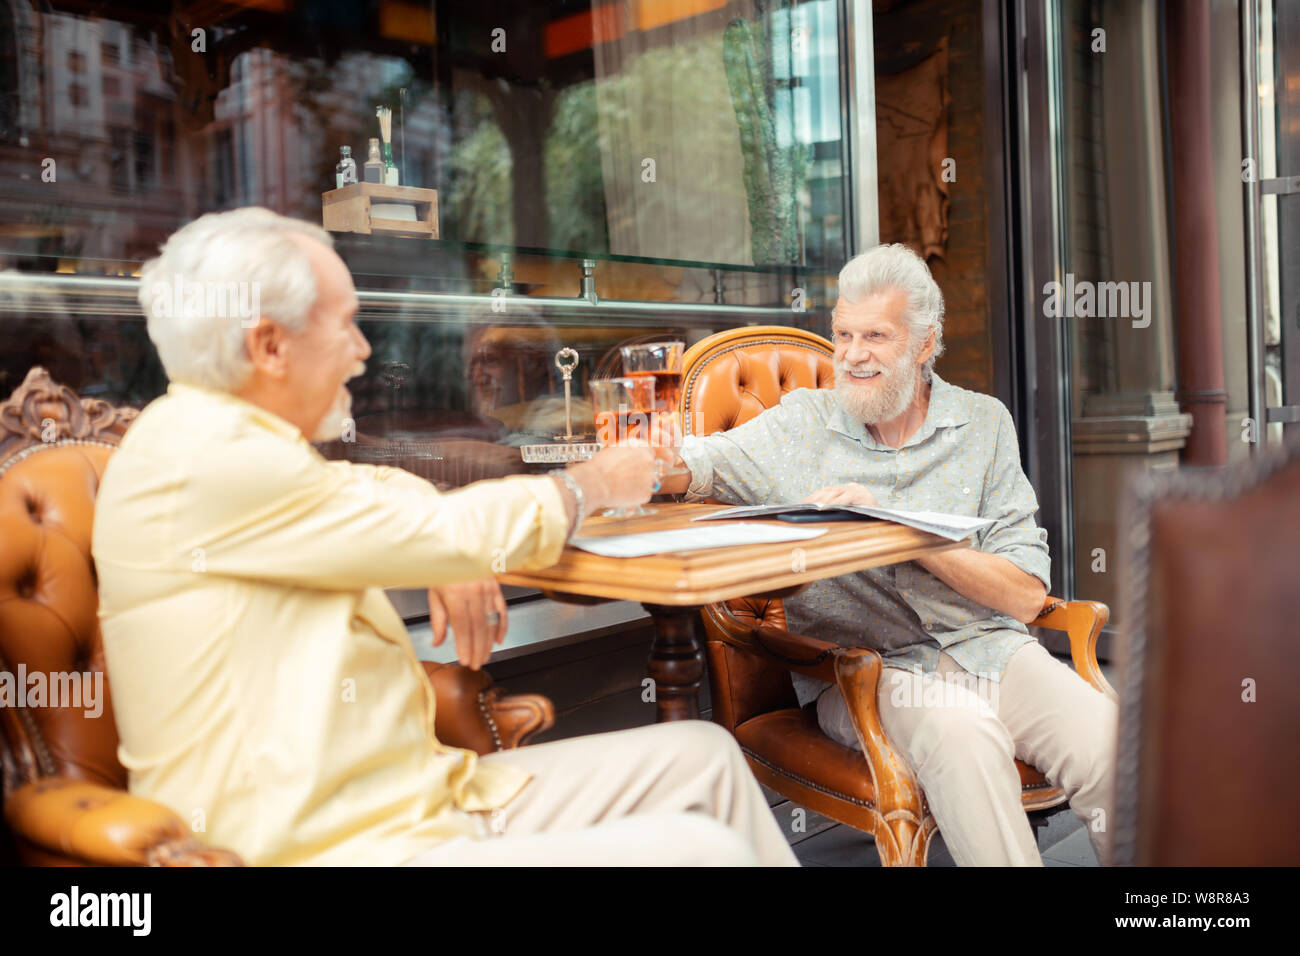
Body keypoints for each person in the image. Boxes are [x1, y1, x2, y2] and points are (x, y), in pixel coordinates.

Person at [92, 207, 797, 867]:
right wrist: (595, 485)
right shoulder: (213, 459)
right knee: (698, 848)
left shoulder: (230, 442)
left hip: (420, 800)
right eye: (345, 325)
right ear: (269, 345)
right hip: (324, 845)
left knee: (703, 759)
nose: (364, 352)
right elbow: (421, 517)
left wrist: (444, 547)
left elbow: (375, 491)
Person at [659, 243, 1117, 866]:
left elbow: (1027, 595)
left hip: (990, 648)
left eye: (875, 335)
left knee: (1112, 741)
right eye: (842, 333)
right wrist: (645, 460)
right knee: (966, 737)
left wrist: (907, 532)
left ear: (924, 344)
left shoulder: (983, 424)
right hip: (871, 674)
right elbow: (695, 469)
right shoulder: (801, 426)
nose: (850, 355)